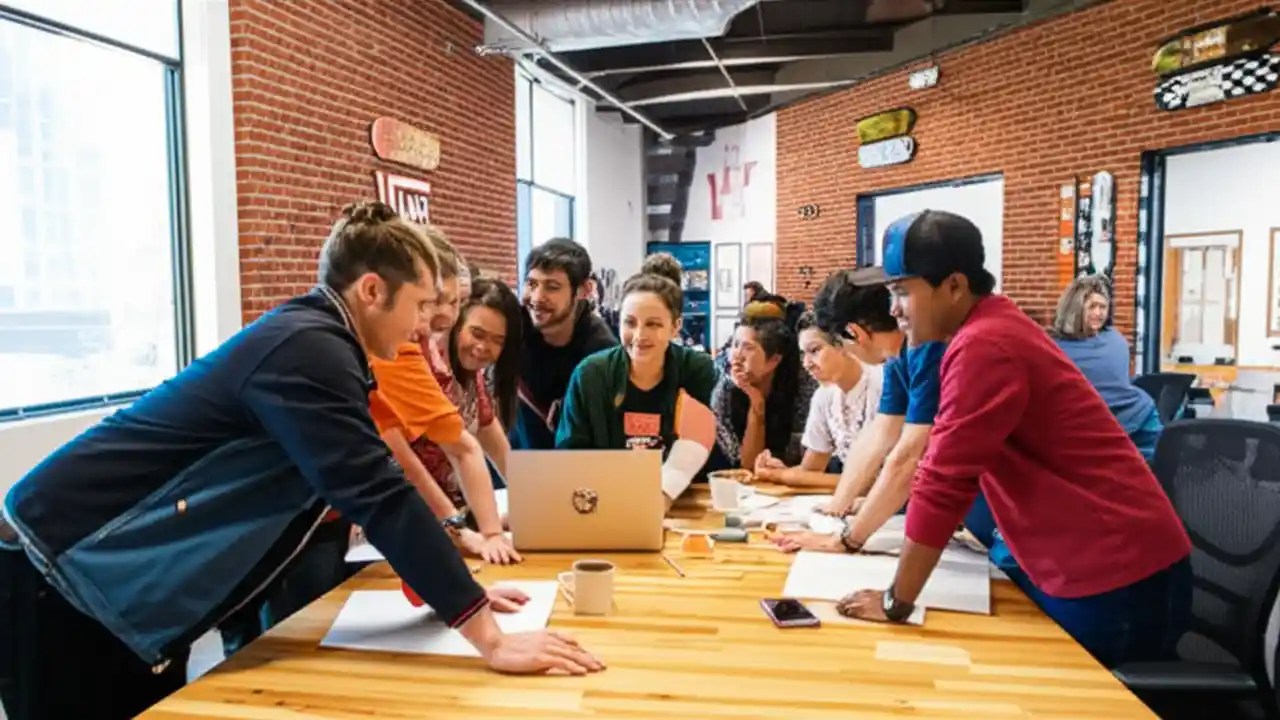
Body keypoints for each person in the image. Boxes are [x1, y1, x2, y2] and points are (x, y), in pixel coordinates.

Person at [0, 202, 602, 720]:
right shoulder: (308, 350)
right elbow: (378, 491)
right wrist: (487, 636)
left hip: (112, 575)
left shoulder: (325, 344)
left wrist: (458, 589)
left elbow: (375, 482)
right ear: (371, 291)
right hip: (67, 564)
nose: (425, 328)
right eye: (419, 306)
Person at [830, 210, 1191, 669]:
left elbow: (943, 481)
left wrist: (894, 602)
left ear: (955, 286)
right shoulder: (983, 330)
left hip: (1116, 576)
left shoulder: (985, 344)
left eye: (902, 292)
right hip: (1098, 564)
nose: (894, 309)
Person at [366, 228, 517, 565]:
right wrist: (466, 529)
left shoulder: (436, 357)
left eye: (455, 302)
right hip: (379, 517)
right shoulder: (398, 350)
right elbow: (404, 458)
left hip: (422, 517)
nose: (445, 315)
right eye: (430, 302)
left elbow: (485, 443)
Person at [556, 263, 718, 508]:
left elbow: (704, 445)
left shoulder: (698, 370)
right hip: (602, 501)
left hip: (682, 504)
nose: (640, 335)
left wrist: (661, 499)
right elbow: (570, 457)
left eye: (653, 324)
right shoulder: (590, 374)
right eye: (630, 323)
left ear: (675, 327)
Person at [753, 311, 882, 489]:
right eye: (802, 354)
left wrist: (786, 476)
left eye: (814, 351)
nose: (807, 363)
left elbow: (876, 482)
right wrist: (783, 472)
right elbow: (812, 470)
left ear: (842, 345)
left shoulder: (882, 383)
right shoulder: (824, 396)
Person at [511, 239, 618, 450]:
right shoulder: (511, 329)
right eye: (532, 284)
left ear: (583, 290)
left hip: (576, 467)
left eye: (552, 287)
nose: (537, 298)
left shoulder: (601, 353)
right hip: (512, 462)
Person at [1051, 274, 1162, 461]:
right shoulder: (1057, 349)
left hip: (1137, 423)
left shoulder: (1113, 339)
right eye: (1092, 307)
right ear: (1076, 310)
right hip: (1105, 427)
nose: (1098, 313)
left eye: (1103, 307)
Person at [711, 315, 810, 471]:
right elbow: (748, 466)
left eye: (748, 347)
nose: (737, 354)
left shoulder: (804, 387)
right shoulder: (724, 392)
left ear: (774, 360)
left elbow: (803, 457)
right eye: (735, 345)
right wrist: (757, 404)